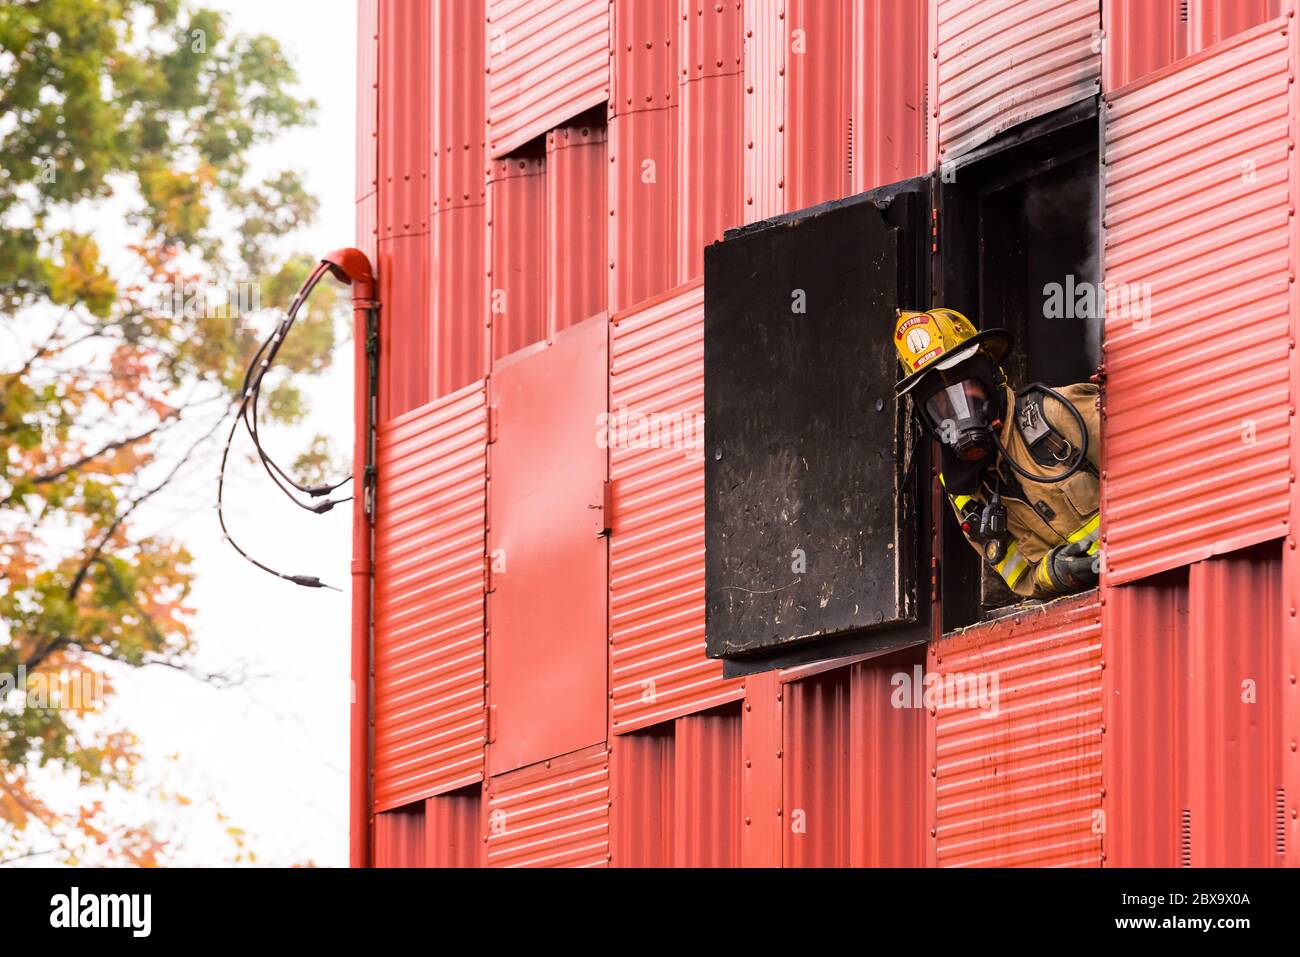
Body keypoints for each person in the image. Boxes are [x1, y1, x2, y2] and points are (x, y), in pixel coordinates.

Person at [893, 307, 1101, 598]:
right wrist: (1053, 575)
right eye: (940, 404)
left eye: (966, 392)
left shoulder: (1057, 414)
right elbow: (1019, 576)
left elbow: (1154, 477)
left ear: (990, 381)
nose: (956, 412)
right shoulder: (965, 496)